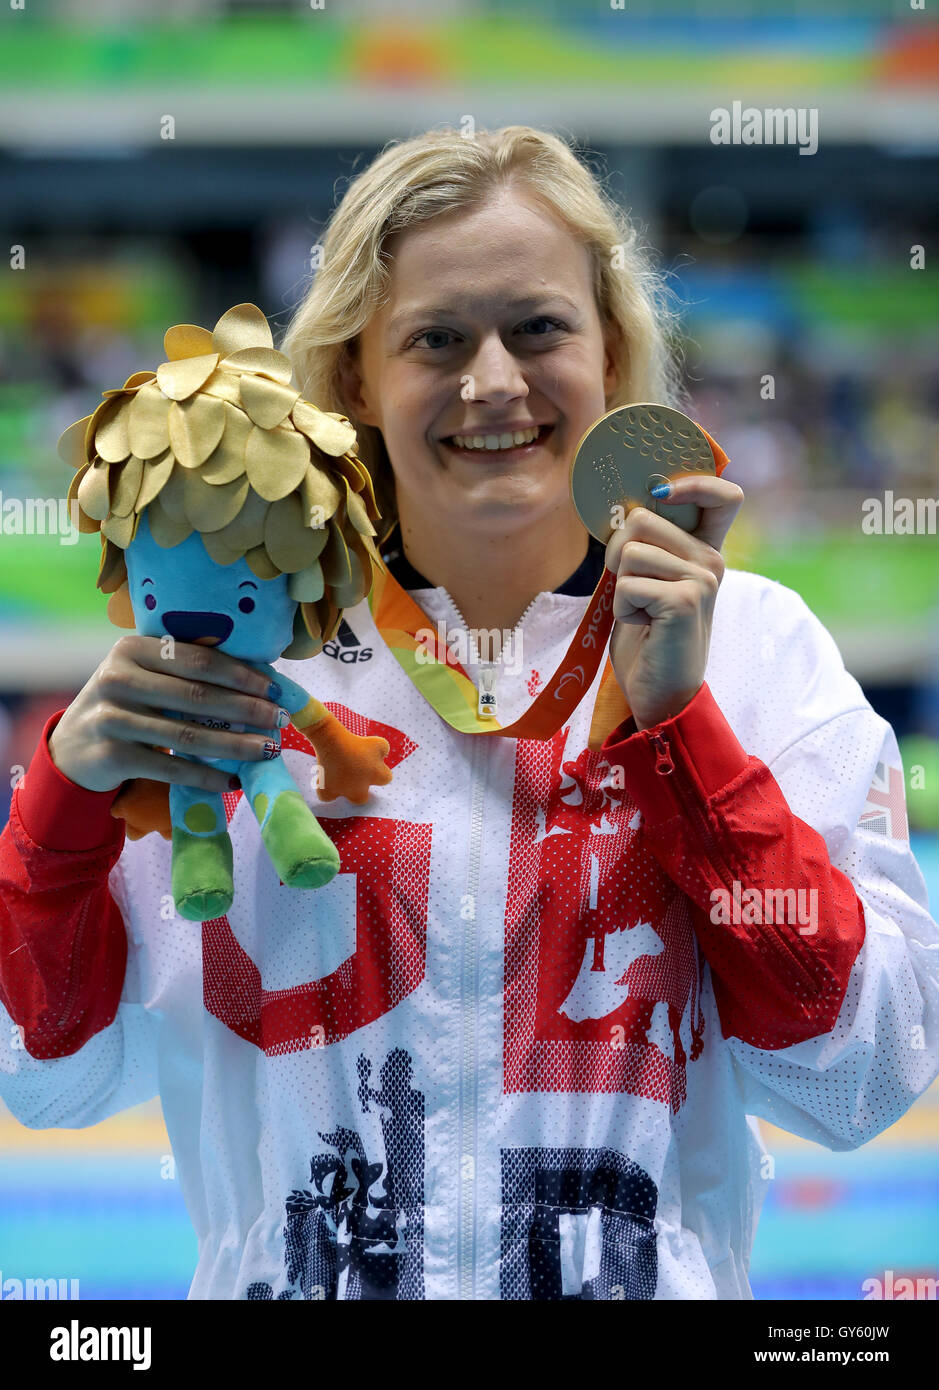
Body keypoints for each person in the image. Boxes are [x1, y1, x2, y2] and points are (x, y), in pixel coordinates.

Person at [1, 126, 937, 1301]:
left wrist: (683, 738)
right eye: (437, 339)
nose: (493, 380)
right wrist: (61, 816)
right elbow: (52, 1075)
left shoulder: (753, 647)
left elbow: (863, 1078)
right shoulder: (242, 665)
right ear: (355, 383)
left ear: (611, 353)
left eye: (539, 328)